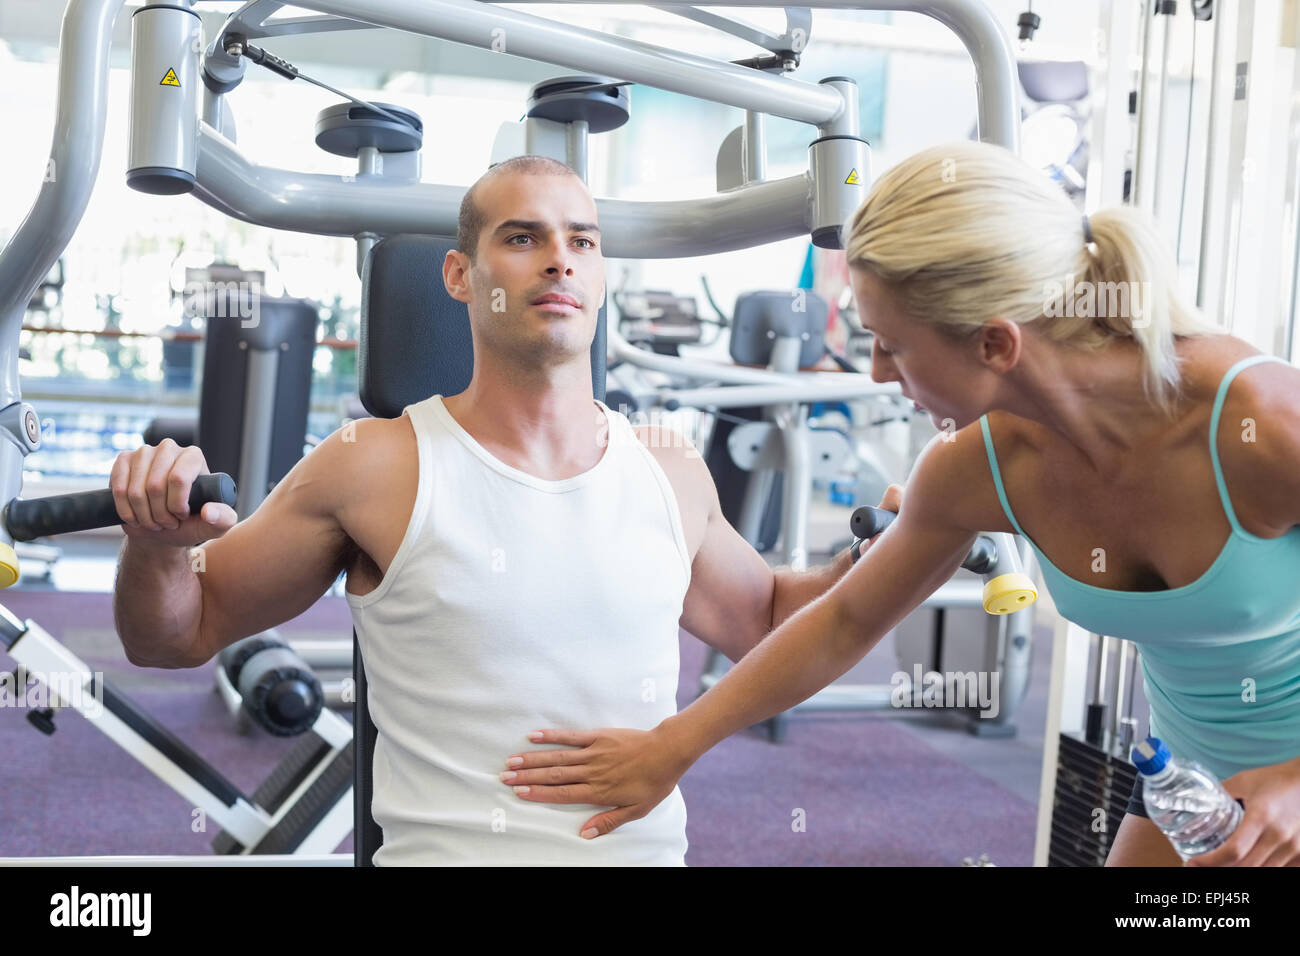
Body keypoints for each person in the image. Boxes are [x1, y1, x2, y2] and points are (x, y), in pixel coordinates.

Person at [502, 140, 1300, 867]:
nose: (880, 372)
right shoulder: (976, 468)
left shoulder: (1261, 427)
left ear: (995, 344)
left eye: (895, 344)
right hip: (1192, 783)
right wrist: (672, 745)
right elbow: (846, 621)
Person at [109, 154, 876, 865]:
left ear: (601, 275)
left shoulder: (668, 467)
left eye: (582, 240)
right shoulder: (374, 463)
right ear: (460, 275)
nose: (559, 258)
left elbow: (771, 622)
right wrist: (156, 548)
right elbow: (179, 635)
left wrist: (881, 558)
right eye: (522, 236)